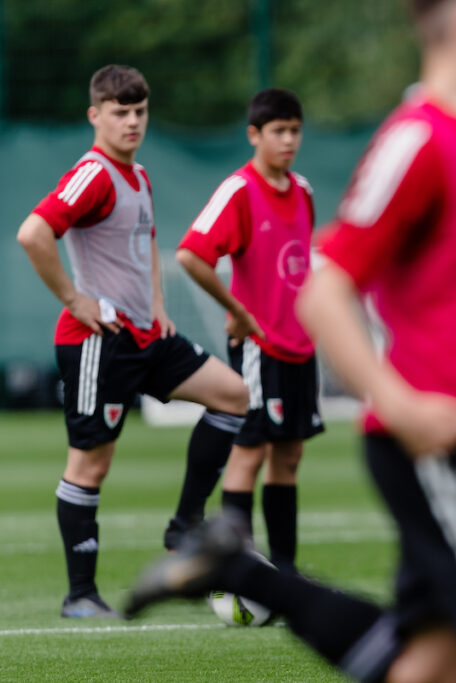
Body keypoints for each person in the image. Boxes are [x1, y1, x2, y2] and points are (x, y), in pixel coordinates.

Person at [126, 1, 456, 681]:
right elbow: (325, 287)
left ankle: (239, 569)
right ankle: (241, 568)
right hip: (435, 441)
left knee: (434, 662)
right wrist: (400, 405)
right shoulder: (418, 142)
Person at [15, 64, 249, 618]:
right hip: (100, 340)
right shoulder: (92, 174)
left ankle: (185, 526)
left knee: (234, 396)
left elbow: (144, 243)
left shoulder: (139, 177)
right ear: (95, 115)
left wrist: (160, 307)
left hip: (148, 337)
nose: (132, 122)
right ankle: (80, 596)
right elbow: (34, 231)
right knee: (91, 464)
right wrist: (75, 299)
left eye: (139, 111)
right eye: (120, 113)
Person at [163, 89, 323, 575]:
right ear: (254, 134)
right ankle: (239, 572)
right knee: (248, 455)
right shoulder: (239, 190)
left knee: (288, 457)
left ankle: (286, 570)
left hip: (301, 344)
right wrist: (235, 308)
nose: (288, 140)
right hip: (261, 345)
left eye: (295, 130)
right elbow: (191, 253)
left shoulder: (304, 191)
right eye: (278, 131)